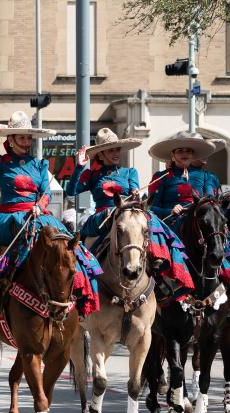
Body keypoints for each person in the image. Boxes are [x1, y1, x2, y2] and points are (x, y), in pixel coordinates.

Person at [0, 112, 103, 322]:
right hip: (8, 216)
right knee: (22, 232)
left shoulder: (39, 164)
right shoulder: (1, 162)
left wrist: (40, 205)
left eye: (29, 137)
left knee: (66, 244)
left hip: (37, 214)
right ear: (11, 140)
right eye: (22, 137)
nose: (27, 142)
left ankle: (74, 300)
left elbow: (46, 193)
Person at [64, 127, 193, 299]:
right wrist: (79, 167)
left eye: (117, 149)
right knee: (88, 244)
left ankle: (160, 266)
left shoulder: (130, 172)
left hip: (127, 213)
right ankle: (86, 275)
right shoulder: (91, 175)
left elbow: (135, 193)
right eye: (111, 150)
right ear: (101, 154)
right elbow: (71, 192)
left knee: (151, 221)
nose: (116, 153)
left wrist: (135, 194)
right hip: (103, 217)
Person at [147, 130, 230, 319]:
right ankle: (162, 286)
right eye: (180, 150)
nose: (184, 154)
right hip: (172, 222)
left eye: (189, 151)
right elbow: (152, 207)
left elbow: (212, 202)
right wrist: (170, 210)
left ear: (193, 155)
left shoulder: (208, 177)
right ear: (172, 154)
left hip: (204, 222)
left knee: (228, 244)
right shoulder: (161, 177)